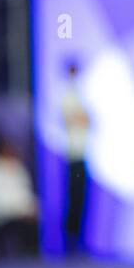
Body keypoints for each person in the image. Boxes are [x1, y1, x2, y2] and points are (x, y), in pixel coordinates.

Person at [0, 138, 39, 259]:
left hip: (18, 209)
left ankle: (32, 254)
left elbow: (24, 191)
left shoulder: (17, 166)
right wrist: (17, 210)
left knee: (38, 213)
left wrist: (30, 207)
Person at [58, 62, 90, 252]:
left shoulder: (78, 93)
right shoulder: (69, 95)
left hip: (80, 153)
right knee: (75, 198)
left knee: (80, 199)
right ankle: (71, 239)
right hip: (73, 154)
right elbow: (77, 119)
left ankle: (76, 238)